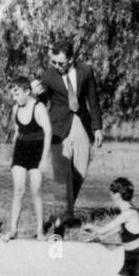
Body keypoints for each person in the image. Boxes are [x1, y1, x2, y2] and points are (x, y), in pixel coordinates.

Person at [32, 39, 103, 228]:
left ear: (71, 59)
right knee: (61, 175)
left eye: (60, 63)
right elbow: (43, 99)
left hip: (80, 122)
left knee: (80, 171)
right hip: (58, 127)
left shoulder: (86, 71)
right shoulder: (47, 75)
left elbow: (93, 100)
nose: (56, 66)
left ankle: (67, 211)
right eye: (53, 62)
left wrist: (97, 127)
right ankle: (62, 217)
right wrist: (36, 93)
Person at [1, 76, 51, 241]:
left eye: (17, 94)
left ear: (27, 92)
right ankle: (13, 229)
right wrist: (13, 154)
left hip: (37, 151)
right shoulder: (16, 109)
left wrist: (44, 158)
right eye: (13, 95)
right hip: (21, 151)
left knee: (36, 191)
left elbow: (48, 132)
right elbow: (17, 132)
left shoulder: (39, 107)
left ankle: (40, 230)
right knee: (18, 190)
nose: (14, 98)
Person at [83, 177, 139, 276]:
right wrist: (99, 238)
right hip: (129, 260)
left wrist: (89, 226)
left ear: (117, 195)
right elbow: (118, 229)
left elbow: (102, 229)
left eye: (111, 194)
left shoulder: (129, 213)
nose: (111, 197)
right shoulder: (129, 213)